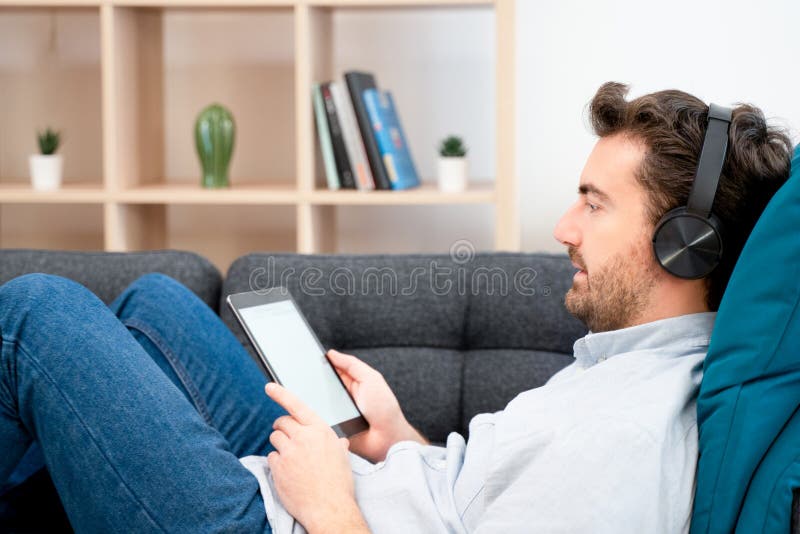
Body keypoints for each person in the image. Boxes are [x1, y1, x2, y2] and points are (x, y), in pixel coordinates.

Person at [0, 82, 793, 533]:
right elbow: (478, 502)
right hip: (330, 491)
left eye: (593, 204)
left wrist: (332, 503)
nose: (562, 229)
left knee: (38, 317)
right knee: (158, 303)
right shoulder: (626, 364)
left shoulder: (631, 437)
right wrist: (396, 443)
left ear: (683, 245)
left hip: (285, 522)